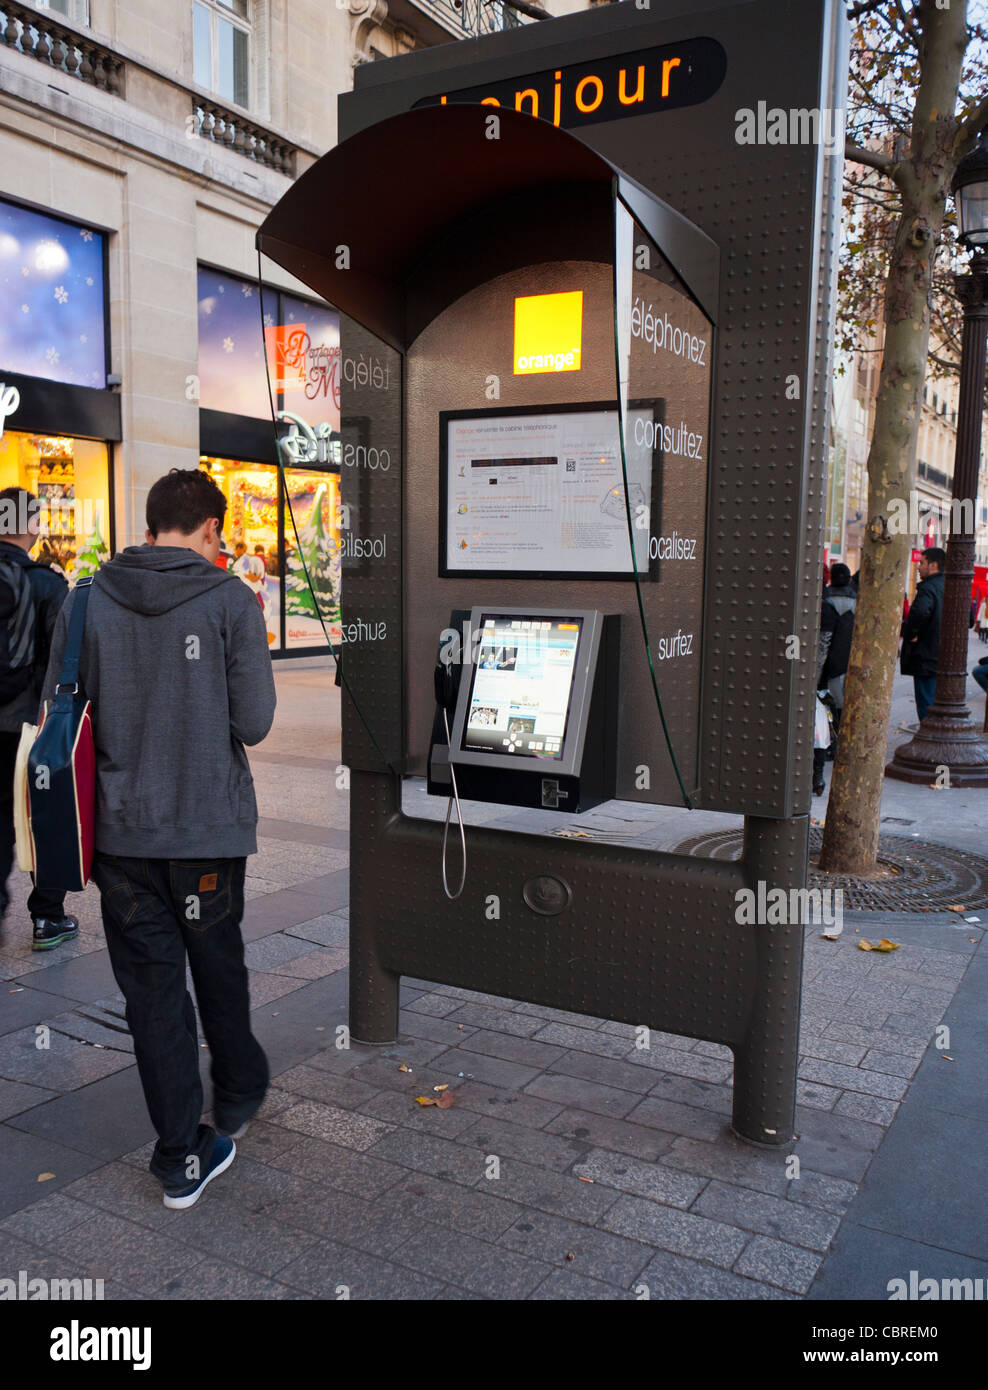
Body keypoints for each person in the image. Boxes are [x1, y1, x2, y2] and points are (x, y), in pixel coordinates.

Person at [42, 468, 276, 1209]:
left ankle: (178, 1156)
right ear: (212, 530)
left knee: (151, 996)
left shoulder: (85, 601)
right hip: (206, 833)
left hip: (122, 837)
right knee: (218, 962)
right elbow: (256, 722)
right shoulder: (232, 600)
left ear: (148, 530)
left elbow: (62, 710)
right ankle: (236, 1088)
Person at [0, 486, 79, 949]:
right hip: (30, 724)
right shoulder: (49, 584)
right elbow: (63, 661)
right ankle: (47, 918)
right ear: (32, 526)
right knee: (44, 815)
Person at [813, 562, 857, 794]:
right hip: (849, 663)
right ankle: (839, 744)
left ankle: (826, 754)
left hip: (828, 667)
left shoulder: (826, 603)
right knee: (839, 707)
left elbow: (823, 642)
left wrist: (816, 673)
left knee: (823, 712)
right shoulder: (856, 601)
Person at [901, 547, 946, 722]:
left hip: (926, 656)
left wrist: (911, 633)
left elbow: (919, 613)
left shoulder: (928, 589)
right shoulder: (951, 587)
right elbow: (969, 620)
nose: (918, 567)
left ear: (933, 565)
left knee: (926, 702)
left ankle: (929, 739)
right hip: (944, 658)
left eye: (922, 563)